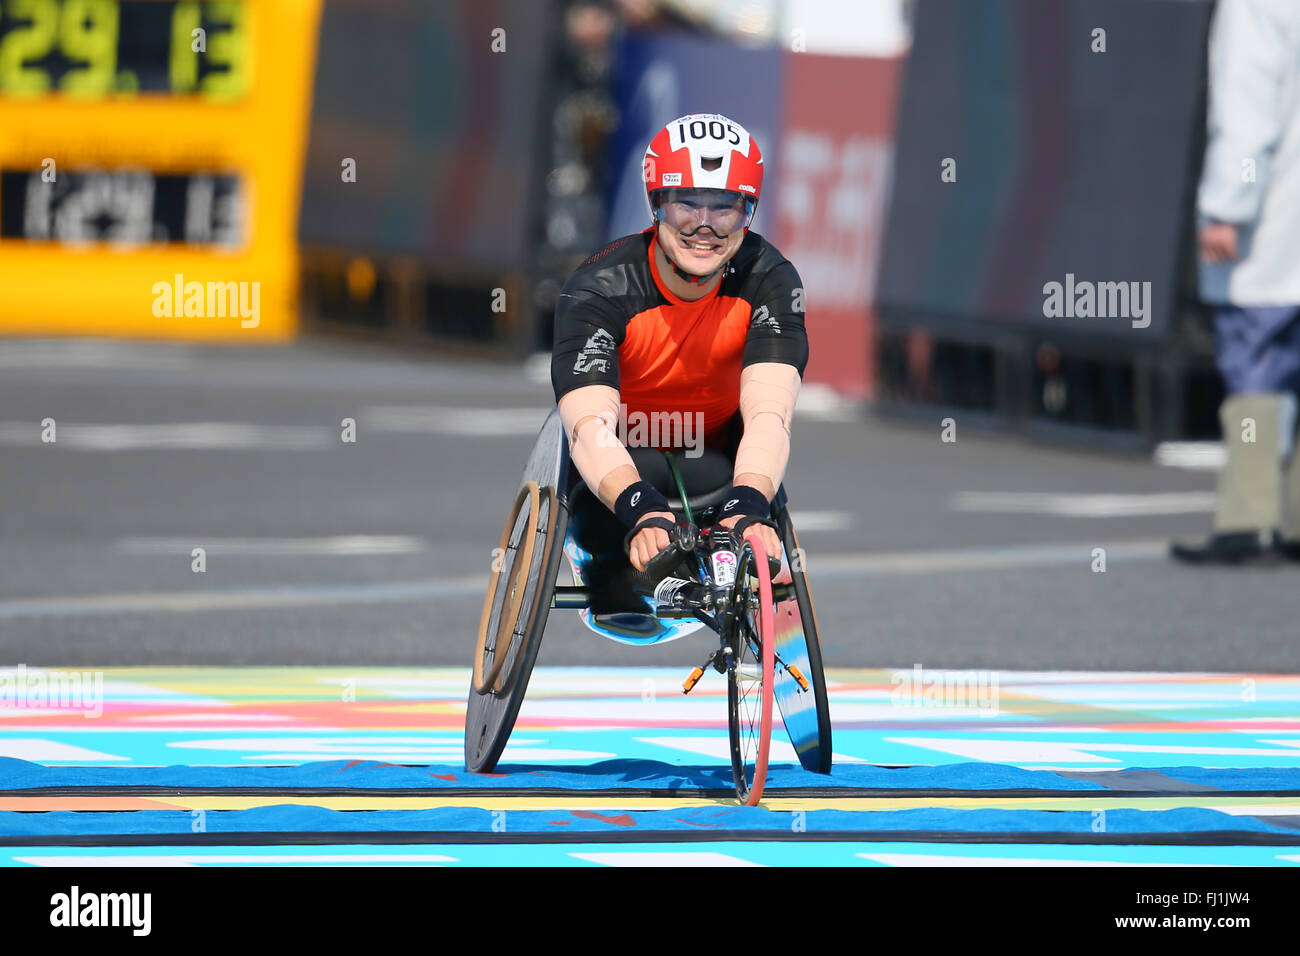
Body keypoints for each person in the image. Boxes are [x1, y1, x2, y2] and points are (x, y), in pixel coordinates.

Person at [550, 113, 807, 578]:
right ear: (656, 205)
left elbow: (771, 415)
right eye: (685, 204)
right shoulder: (599, 287)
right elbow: (588, 427)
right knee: (614, 554)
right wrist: (642, 509)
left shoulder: (770, 279)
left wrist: (749, 502)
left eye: (724, 206)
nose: (703, 226)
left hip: (718, 463)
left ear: (747, 212)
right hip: (621, 466)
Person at [1171, 0, 1300, 565]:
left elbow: (1248, 109)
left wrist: (1228, 204)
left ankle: (1249, 516)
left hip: (1276, 217)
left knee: (1255, 363)